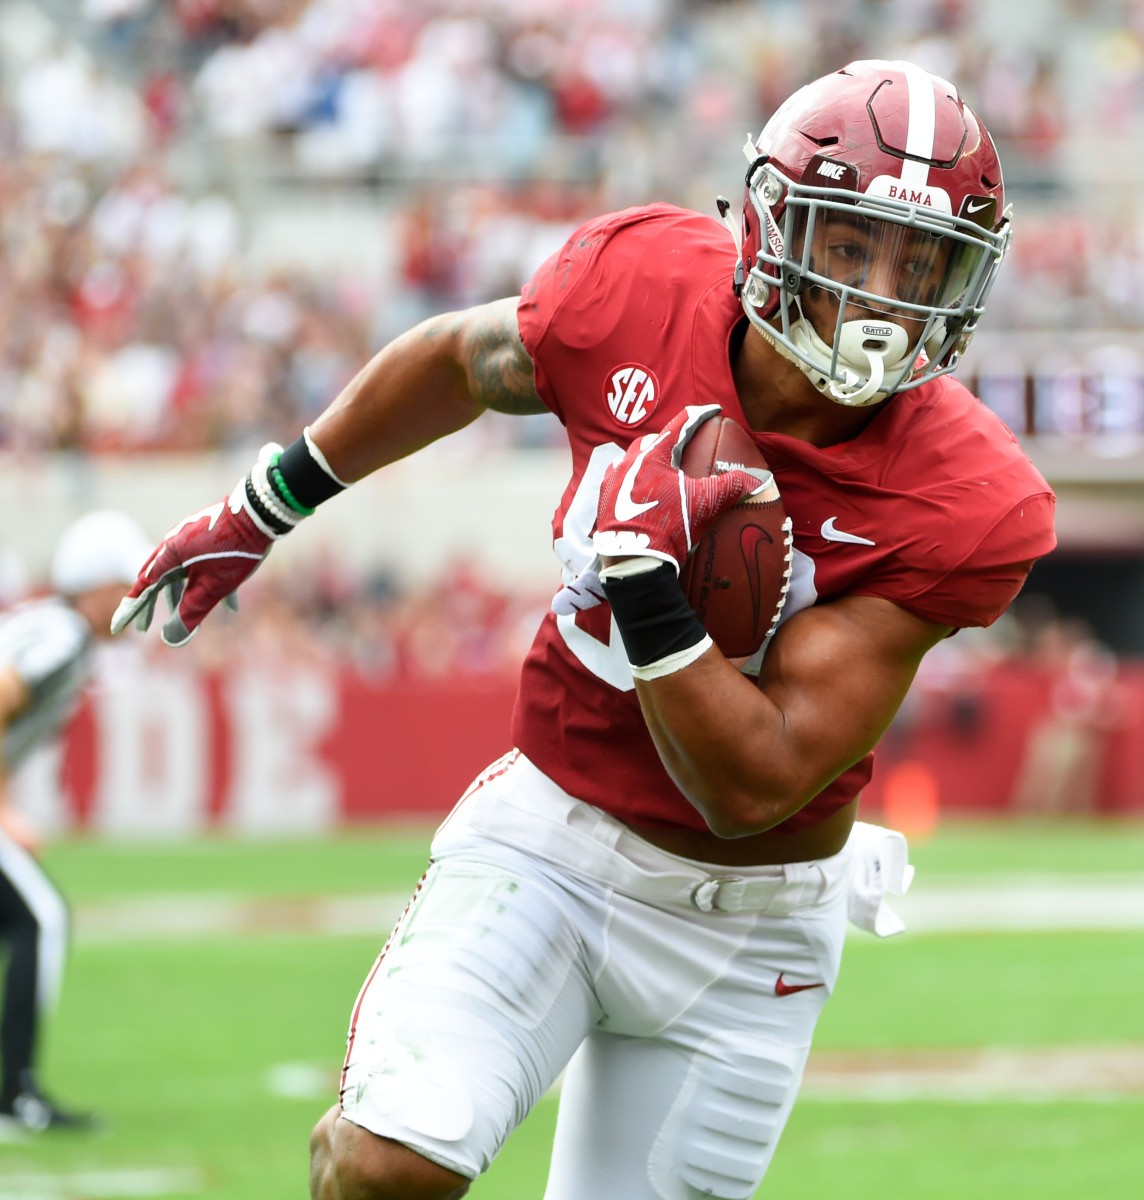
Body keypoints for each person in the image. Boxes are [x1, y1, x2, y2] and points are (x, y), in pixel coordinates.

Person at [116, 61, 1056, 1199]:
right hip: (552, 840)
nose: (878, 296)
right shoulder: (641, 289)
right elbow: (464, 359)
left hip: (746, 929)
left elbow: (748, 786)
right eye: (850, 245)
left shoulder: (964, 497)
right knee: (384, 1167)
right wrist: (267, 503)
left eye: (922, 264)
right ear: (769, 227)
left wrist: (648, 588)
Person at [0, 511, 151, 1135]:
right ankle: (14, 1095)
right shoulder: (62, 638)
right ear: (93, 586)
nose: (137, 599)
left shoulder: (59, 633)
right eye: (126, 584)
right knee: (43, 917)